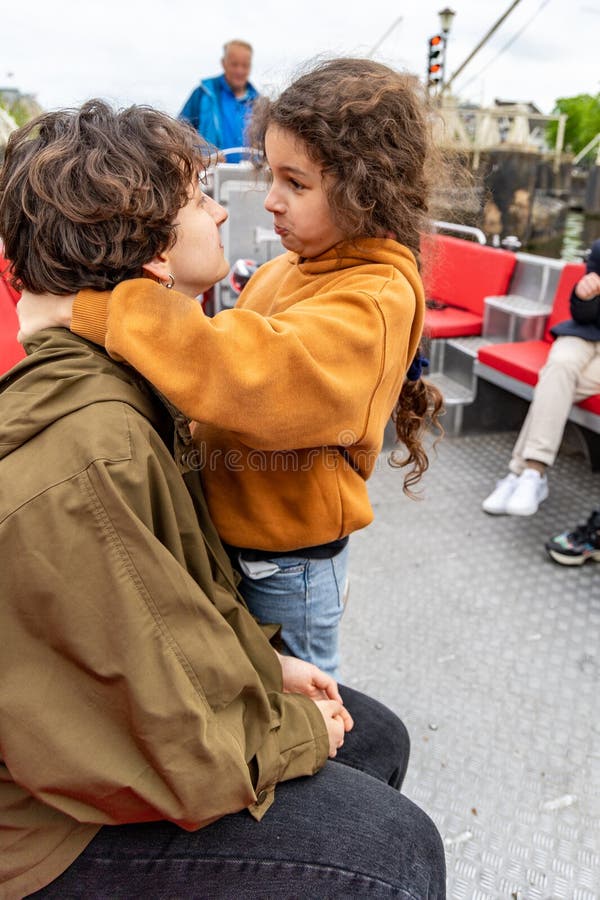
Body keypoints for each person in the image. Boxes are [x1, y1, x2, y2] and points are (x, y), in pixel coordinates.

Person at [0, 101, 446, 898]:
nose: (229, 206)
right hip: (45, 825)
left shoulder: (134, 378)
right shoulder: (94, 447)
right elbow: (155, 724)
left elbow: (168, 604)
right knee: (398, 849)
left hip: (129, 710)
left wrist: (265, 669)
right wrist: (291, 727)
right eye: (200, 196)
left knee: (376, 737)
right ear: (157, 254)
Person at [18, 58, 445, 679]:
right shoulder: (284, 270)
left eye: (296, 185)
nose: (269, 200)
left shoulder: (376, 298)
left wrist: (101, 311)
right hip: (236, 537)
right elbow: (215, 359)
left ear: (366, 193)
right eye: (273, 176)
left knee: (307, 690)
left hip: (290, 562)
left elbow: (253, 375)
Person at [483, 239, 600, 517]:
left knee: (554, 385)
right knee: (559, 366)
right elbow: (582, 315)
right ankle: (532, 478)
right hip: (585, 335)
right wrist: (584, 296)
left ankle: (523, 472)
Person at [179, 39, 259, 162]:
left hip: (252, 177)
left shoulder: (260, 103)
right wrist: (200, 157)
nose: (239, 71)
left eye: (245, 65)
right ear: (223, 63)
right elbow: (179, 133)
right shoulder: (203, 93)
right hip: (210, 176)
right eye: (234, 64)